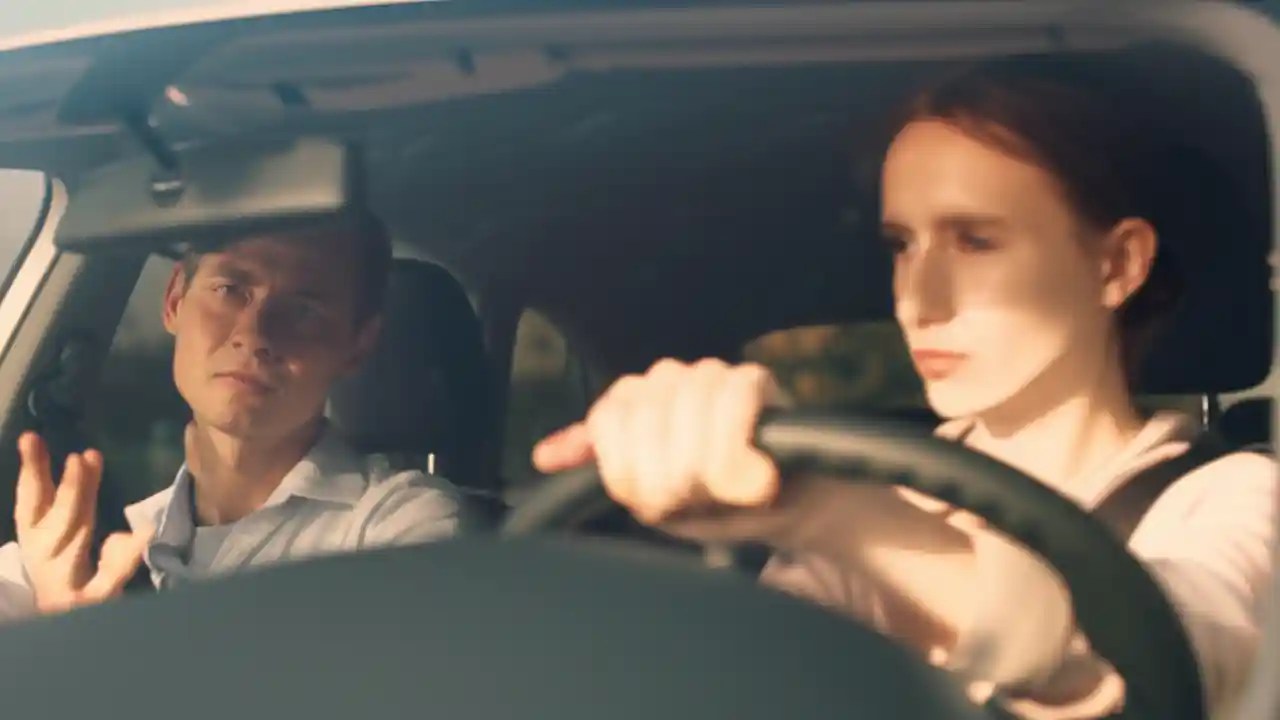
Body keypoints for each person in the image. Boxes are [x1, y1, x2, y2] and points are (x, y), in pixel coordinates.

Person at [533, 56, 1277, 718]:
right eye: (901, 246)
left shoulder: (1235, 498)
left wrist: (826, 511)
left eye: (975, 241)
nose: (917, 300)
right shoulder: (895, 496)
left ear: (1117, 266)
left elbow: (1167, 666)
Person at [0, 214, 468, 617]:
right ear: (174, 302)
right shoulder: (73, 544)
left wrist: (77, 647)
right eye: (230, 289)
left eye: (304, 310)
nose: (255, 333)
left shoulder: (399, 531)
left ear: (357, 345)